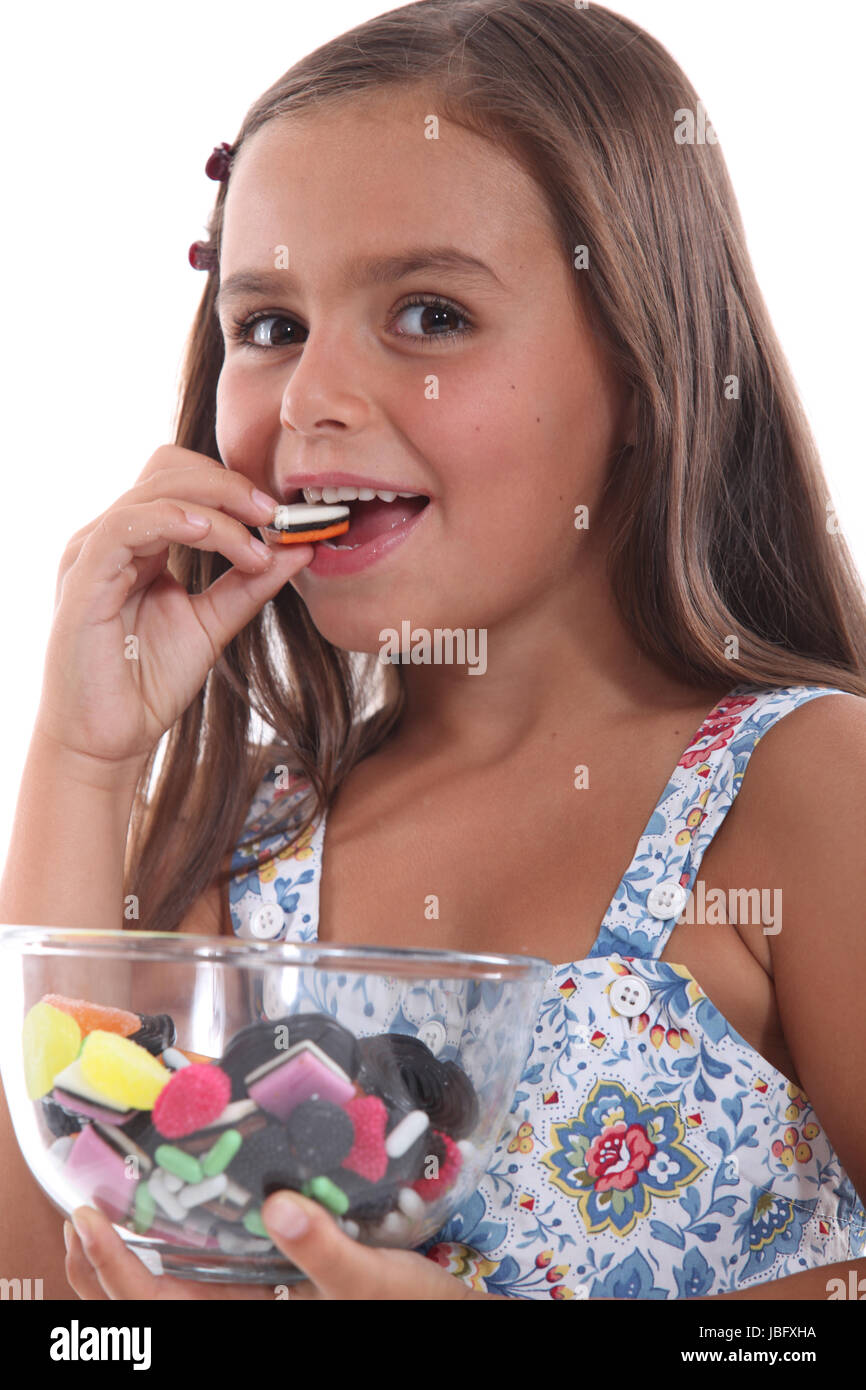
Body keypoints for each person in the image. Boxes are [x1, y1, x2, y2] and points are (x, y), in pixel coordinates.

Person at [1, 0, 865, 1301]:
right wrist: (84, 758)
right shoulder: (238, 844)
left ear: (642, 376)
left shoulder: (803, 789)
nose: (308, 399)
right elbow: (41, 1294)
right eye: (270, 326)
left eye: (429, 315)